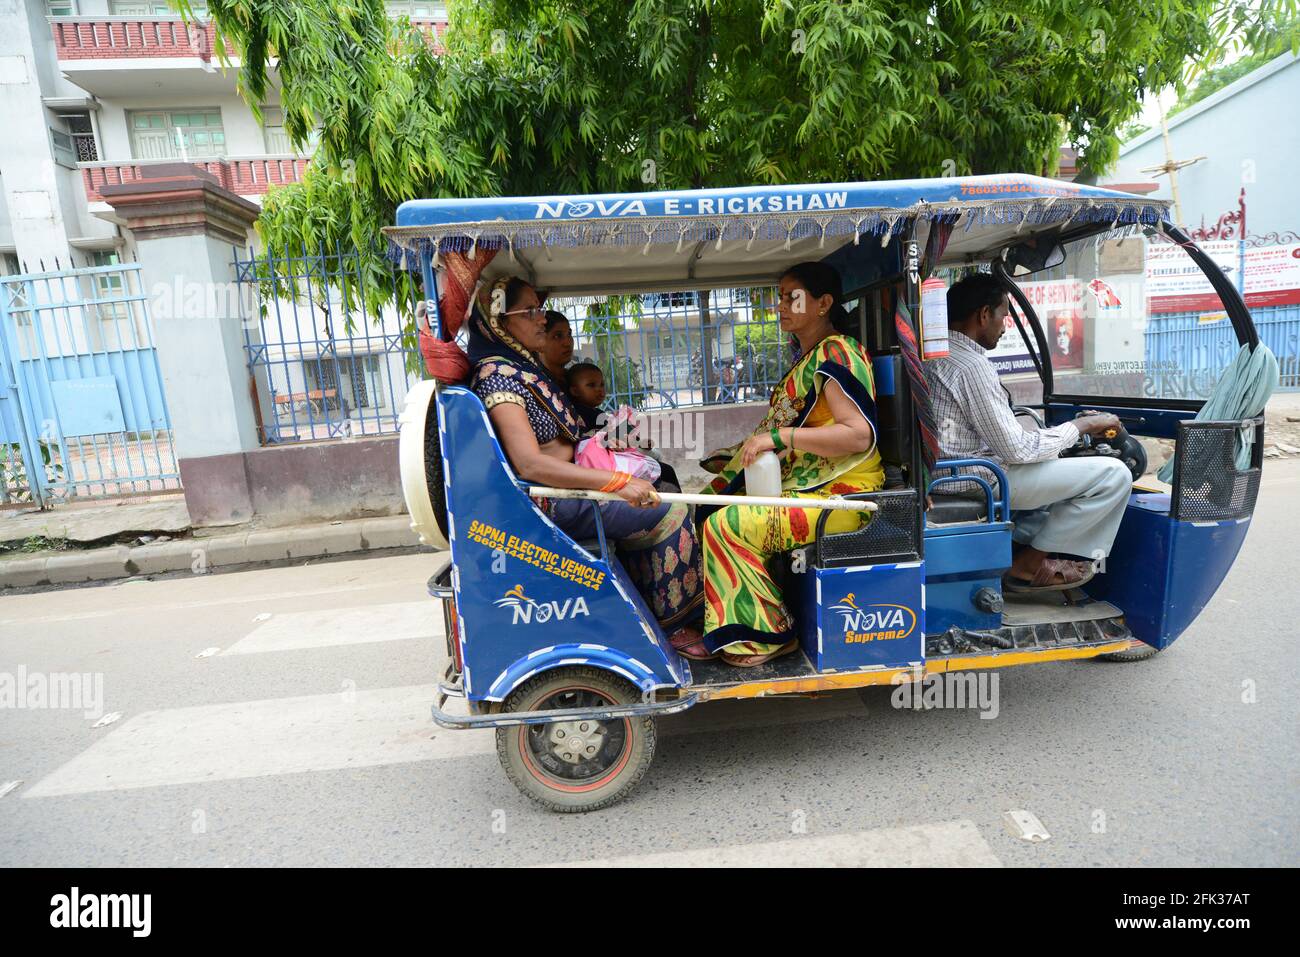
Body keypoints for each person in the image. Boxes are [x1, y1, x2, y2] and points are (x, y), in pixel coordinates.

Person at [468, 276, 704, 637]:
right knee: (671, 510)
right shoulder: (498, 377)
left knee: (659, 482)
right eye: (530, 311)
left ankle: (646, 605)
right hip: (554, 501)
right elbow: (529, 464)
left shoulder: (521, 371)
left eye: (540, 310)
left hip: (570, 486)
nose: (541, 319)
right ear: (500, 320)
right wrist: (617, 482)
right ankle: (677, 627)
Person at [687, 262, 886, 667]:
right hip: (814, 487)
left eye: (790, 296)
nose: (779, 305)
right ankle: (718, 618)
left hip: (843, 497)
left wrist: (779, 438)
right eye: (779, 296)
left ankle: (767, 635)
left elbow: (857, 436)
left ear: (823, 303)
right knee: (709, 504)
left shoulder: (838, 355)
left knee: (728, 525)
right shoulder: (810, 357)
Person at [925, 273, 1131, 591]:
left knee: (1057, 466)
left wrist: (1059, 437)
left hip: (950, 471)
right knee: (1114, 475)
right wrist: (1081, 426)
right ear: (983, 315)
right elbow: (1016, 450)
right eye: (1004, 316)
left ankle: (1019, 549)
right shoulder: (970, 366)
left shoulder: (934, 355)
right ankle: (1028, 564)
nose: (1005, 326)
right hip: (978, 479)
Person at [540, 310, 574, 384]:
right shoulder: (537, 382)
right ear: (539, 342)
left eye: (569, 334)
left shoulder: (576, 380)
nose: (567, 343)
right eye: (557, 336)